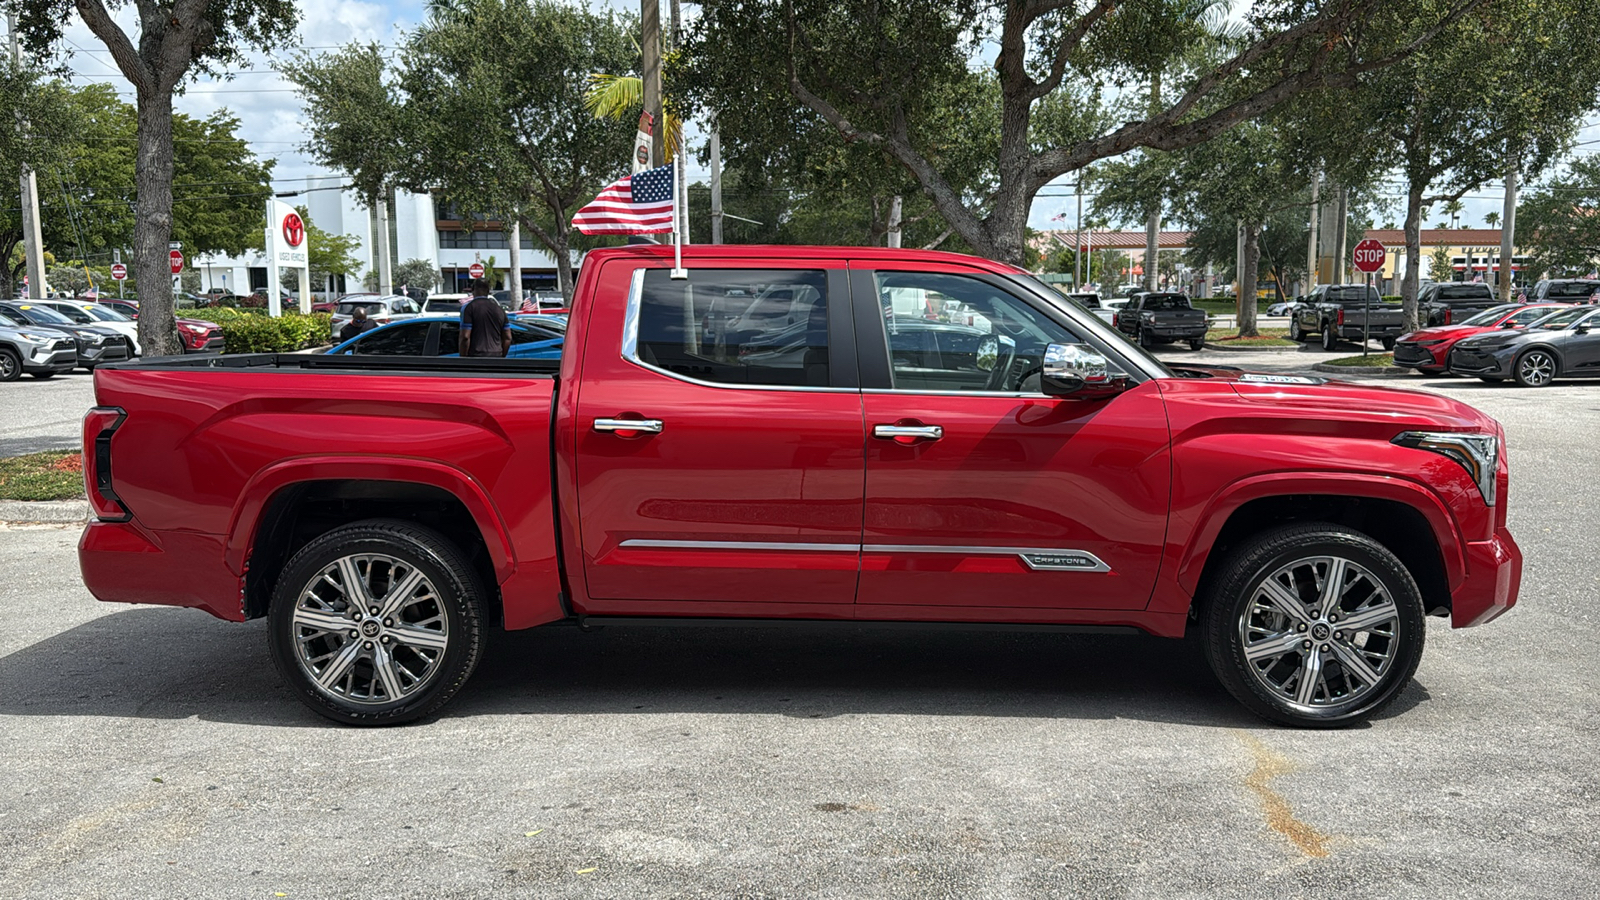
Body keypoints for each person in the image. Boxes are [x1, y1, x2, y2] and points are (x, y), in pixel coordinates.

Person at [459, 278, 511, 357]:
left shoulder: (469, 308)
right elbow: (508, 338)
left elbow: (465, 337)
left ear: (473, 290)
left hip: (476, 356)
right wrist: (502, 356)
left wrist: (463, 358)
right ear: (488, 290)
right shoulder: (499, 309)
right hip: (496, 355)